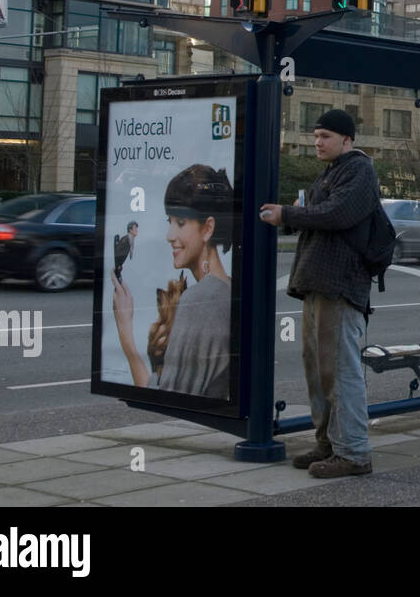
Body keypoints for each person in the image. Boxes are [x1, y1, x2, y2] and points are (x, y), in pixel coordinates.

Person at [260, 109, 378, 479]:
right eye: (315, 136)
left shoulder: (359, 171)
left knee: (339, 372)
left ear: (347, 139)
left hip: (339, 286)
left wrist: (290, 214)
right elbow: (323, 214)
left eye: (325, 135)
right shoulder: (332, 172)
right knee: (319, 371)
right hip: (319, 286)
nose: (317, 142)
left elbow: (336, 214)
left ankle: (354, 453)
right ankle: (328, 444)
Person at [111, 166, 233, 398]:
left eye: (180, 222)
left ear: (208, 228)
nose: (169, 235)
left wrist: (124, 330)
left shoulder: (202, 299)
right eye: (170, 221)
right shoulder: (226, 289)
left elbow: (168, 393)